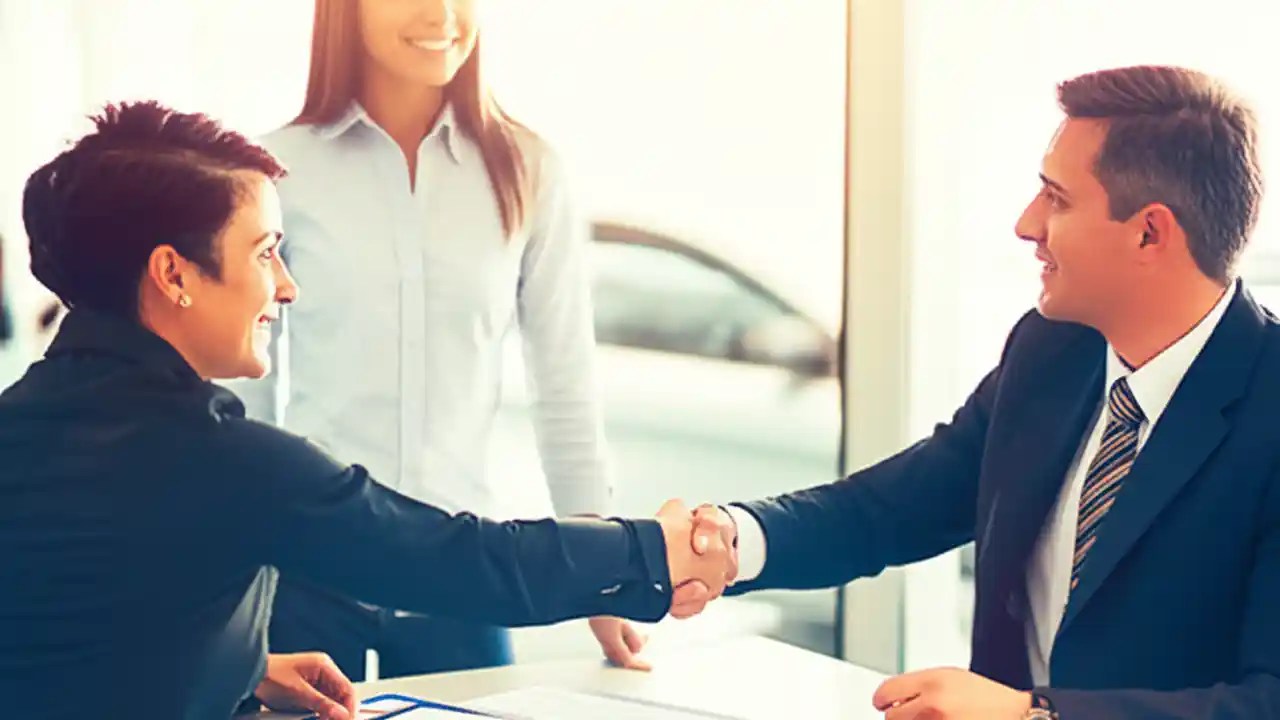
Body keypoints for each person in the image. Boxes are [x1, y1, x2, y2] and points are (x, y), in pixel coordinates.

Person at [0, 101, 733, 720]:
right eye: (264, 253)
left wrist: (243, 666)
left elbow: (80, 629)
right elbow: (465, 562)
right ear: (173, 274)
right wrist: (653, 548)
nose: (286, 287)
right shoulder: (225, 461)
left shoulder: (20, 425)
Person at [681, 65, 1280, 719]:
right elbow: (893, 508)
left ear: (1149, 233)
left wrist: (1029, 714)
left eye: (1057, 199)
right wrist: (732, 541)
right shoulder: (1053, 350)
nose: (1027, 225)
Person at [223, 0, 640, 679]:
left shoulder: (529, 169)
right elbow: (247, 389)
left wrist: (599, 571)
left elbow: (564, 382)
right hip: (308, 572)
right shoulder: (275, 171)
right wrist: (232, 557)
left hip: (464, 574)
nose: (440, 14)